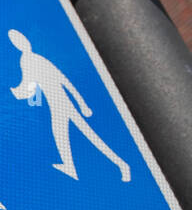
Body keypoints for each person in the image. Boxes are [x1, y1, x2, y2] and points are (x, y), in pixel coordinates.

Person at [8, 29, 130, 182]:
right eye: (15, 41)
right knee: (65, 134)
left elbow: (43, 84)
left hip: (59, 104)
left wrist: (14, 92)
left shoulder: (29, 60)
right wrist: (81, 104)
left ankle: (122, 165)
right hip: (59, 103)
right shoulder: (35, 59)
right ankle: (71, 166)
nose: (18, 43)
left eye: (18, 40)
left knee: (88, 136)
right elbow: (47, 84)